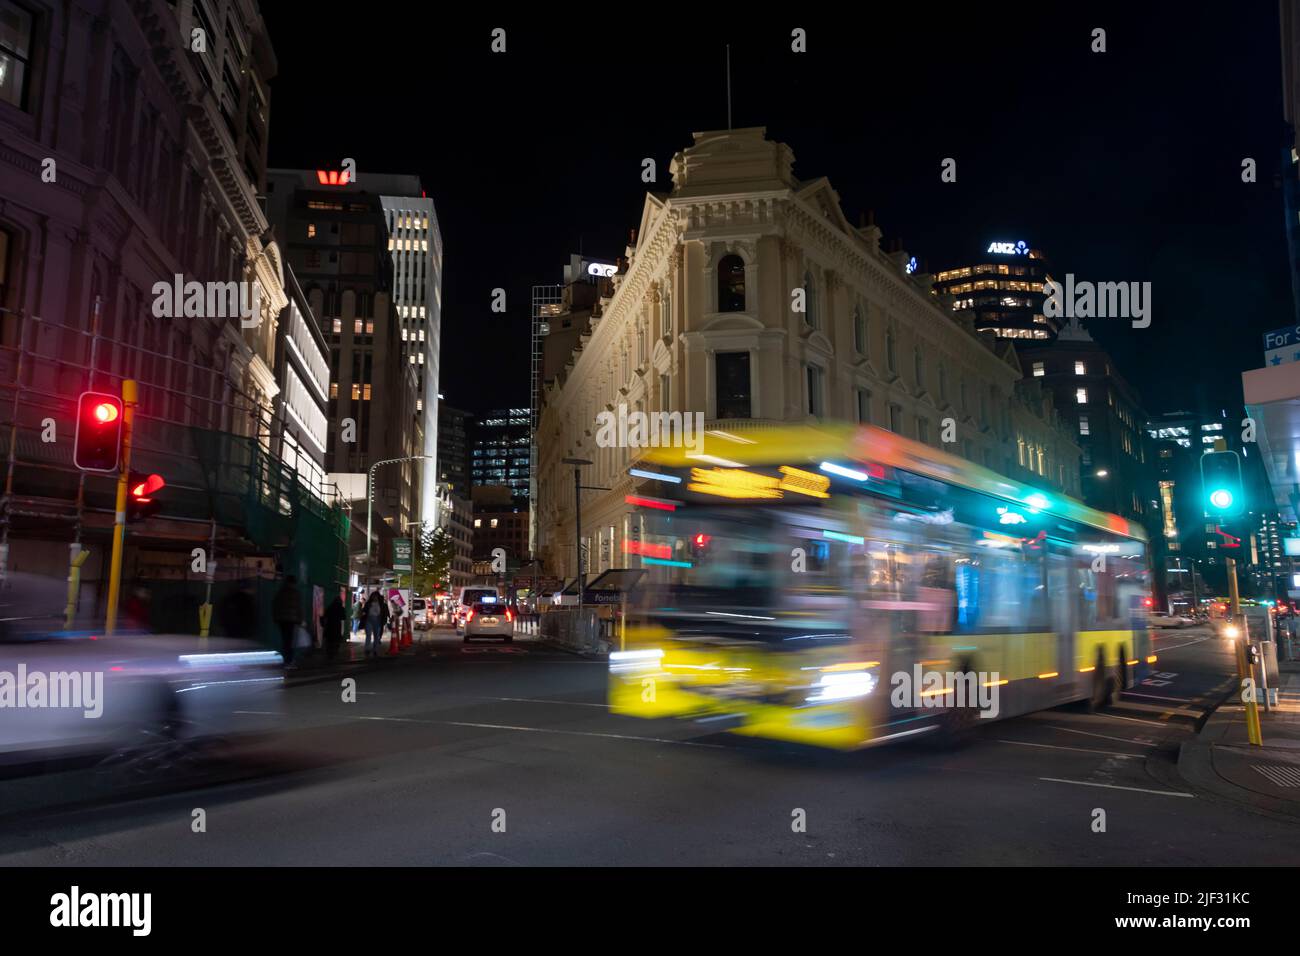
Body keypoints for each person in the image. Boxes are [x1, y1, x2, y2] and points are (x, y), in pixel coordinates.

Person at [273, 575, 302, 667]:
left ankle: (285, 659)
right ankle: (289, 660)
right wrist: (300, 619)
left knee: (285, 640)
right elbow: (298, 607)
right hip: (292, 620)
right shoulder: (295, 593)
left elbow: (275, 605)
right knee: (290, 640)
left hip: (281, 619)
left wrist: (275, 617)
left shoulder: (281, 592)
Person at [362, 590, 388, 657]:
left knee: (376, 636)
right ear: (372, 597)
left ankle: (375, 650)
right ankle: (367, 649)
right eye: (374, 596)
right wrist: (363, 614)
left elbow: (384, 613)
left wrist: (383, 621)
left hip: (377, 620)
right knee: (368, 635)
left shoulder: (382, 604)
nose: (375, 598)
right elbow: (364, 611)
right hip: (369, 620)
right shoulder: (368, 603)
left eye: (376, 596)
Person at [321, 594, 346, 661]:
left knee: (329, 640)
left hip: (329, 625)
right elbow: (344, 617)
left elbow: (325, 615)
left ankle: (329, 653)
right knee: (336, 639)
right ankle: (334, 653)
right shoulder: (341, 608)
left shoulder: (330, 607)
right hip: (337, 625)